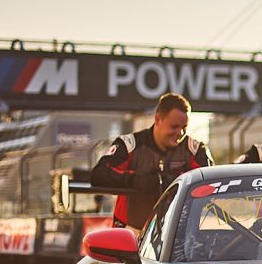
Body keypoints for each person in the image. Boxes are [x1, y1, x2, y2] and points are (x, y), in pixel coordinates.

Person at [92, 92, 214, 230]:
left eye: (184, 127)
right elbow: (99, 174)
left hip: (177, 232)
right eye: (174, 126)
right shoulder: (129, 144)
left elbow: (211, 184)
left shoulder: (195, 149)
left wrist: (174, 181)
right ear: (157, 119)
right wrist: (139, 180)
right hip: (131, 230)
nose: (180, 133)